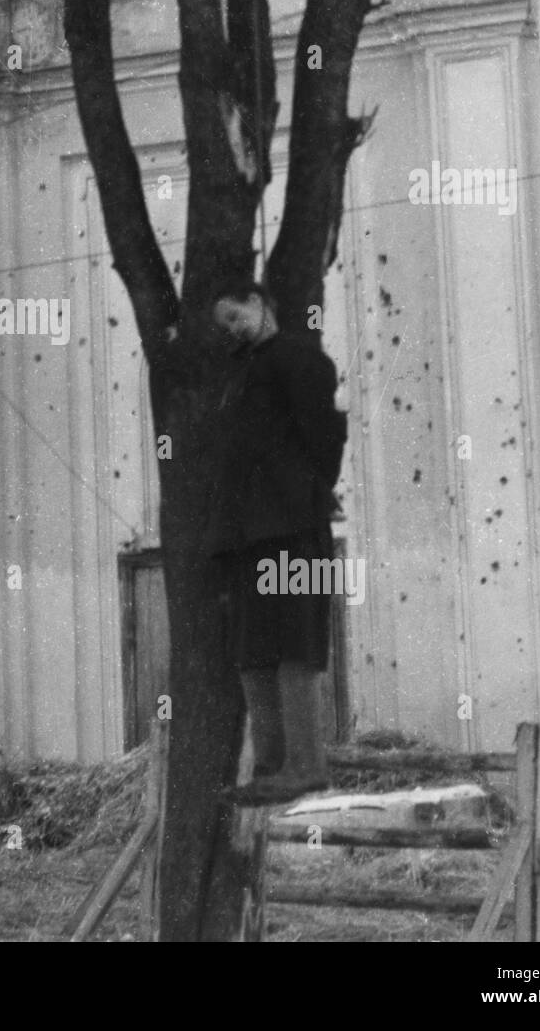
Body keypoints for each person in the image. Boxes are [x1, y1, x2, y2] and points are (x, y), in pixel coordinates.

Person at [202, 282, 347, 804]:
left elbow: (326, 435)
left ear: (261, 302)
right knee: (253, 648)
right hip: (248, 536)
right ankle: (269, 767)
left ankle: (305, 765)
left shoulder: (299, 360)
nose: (233, 328)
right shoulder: (238, 376)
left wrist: (308, 492)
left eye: (236, 314)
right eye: (225, 324)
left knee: (294, 641)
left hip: (295, 527)